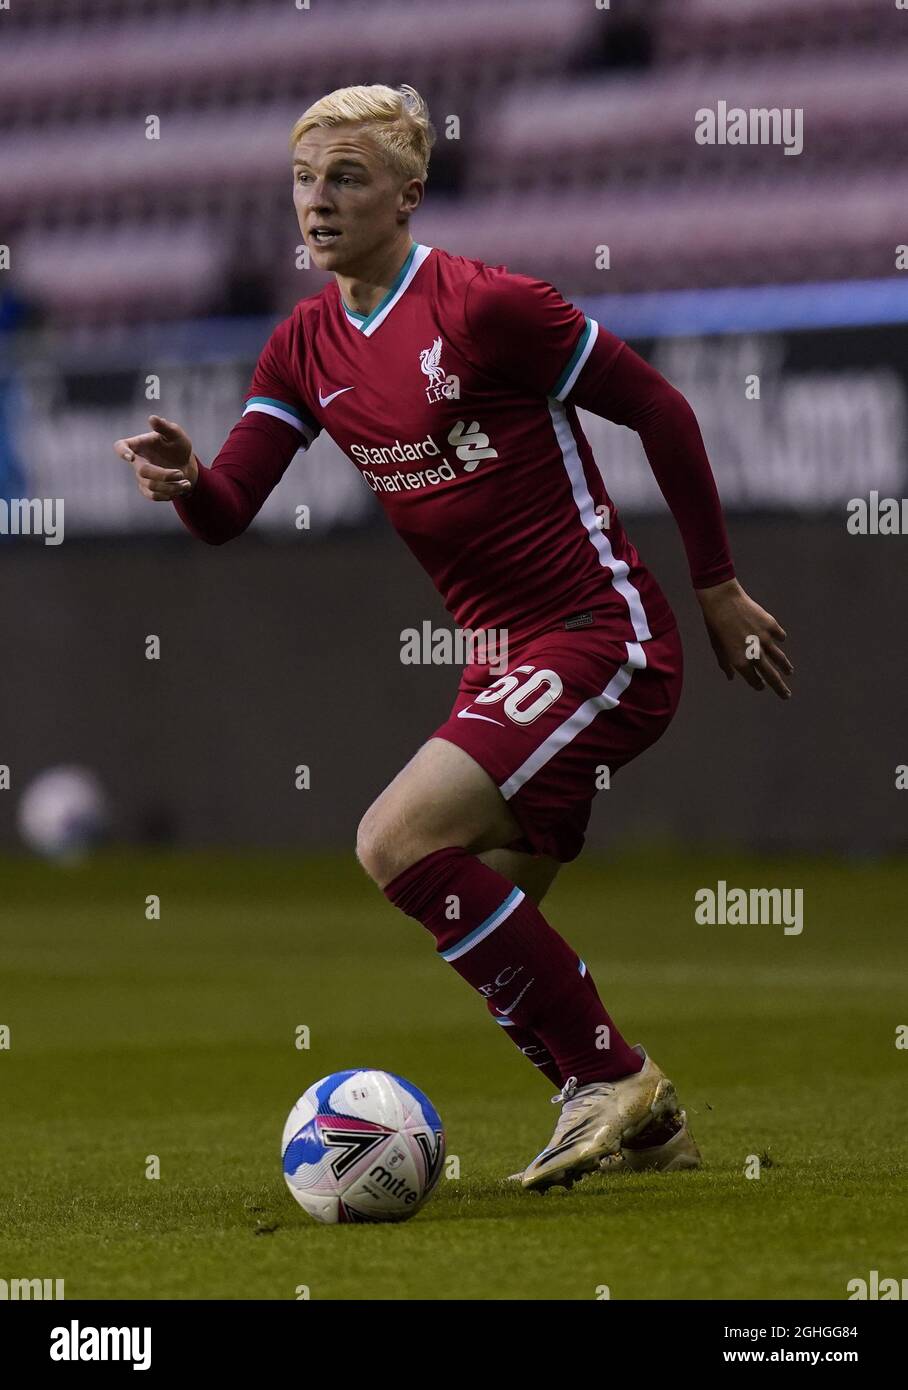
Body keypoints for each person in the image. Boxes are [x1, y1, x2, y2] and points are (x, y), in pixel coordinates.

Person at [114, 84, 792, 1193]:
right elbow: (229, 508)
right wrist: (187, 484)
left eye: (345, 178)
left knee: (391, 840)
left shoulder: (487, 308)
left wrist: (713, 584)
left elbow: (661, 410)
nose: (317, 202)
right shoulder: (303, 345)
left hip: (597, 633)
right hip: (501, 659)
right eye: (302, 179)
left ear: (408, 193)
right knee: (486, 910)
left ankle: (608, 1076)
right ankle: (650, 1126)